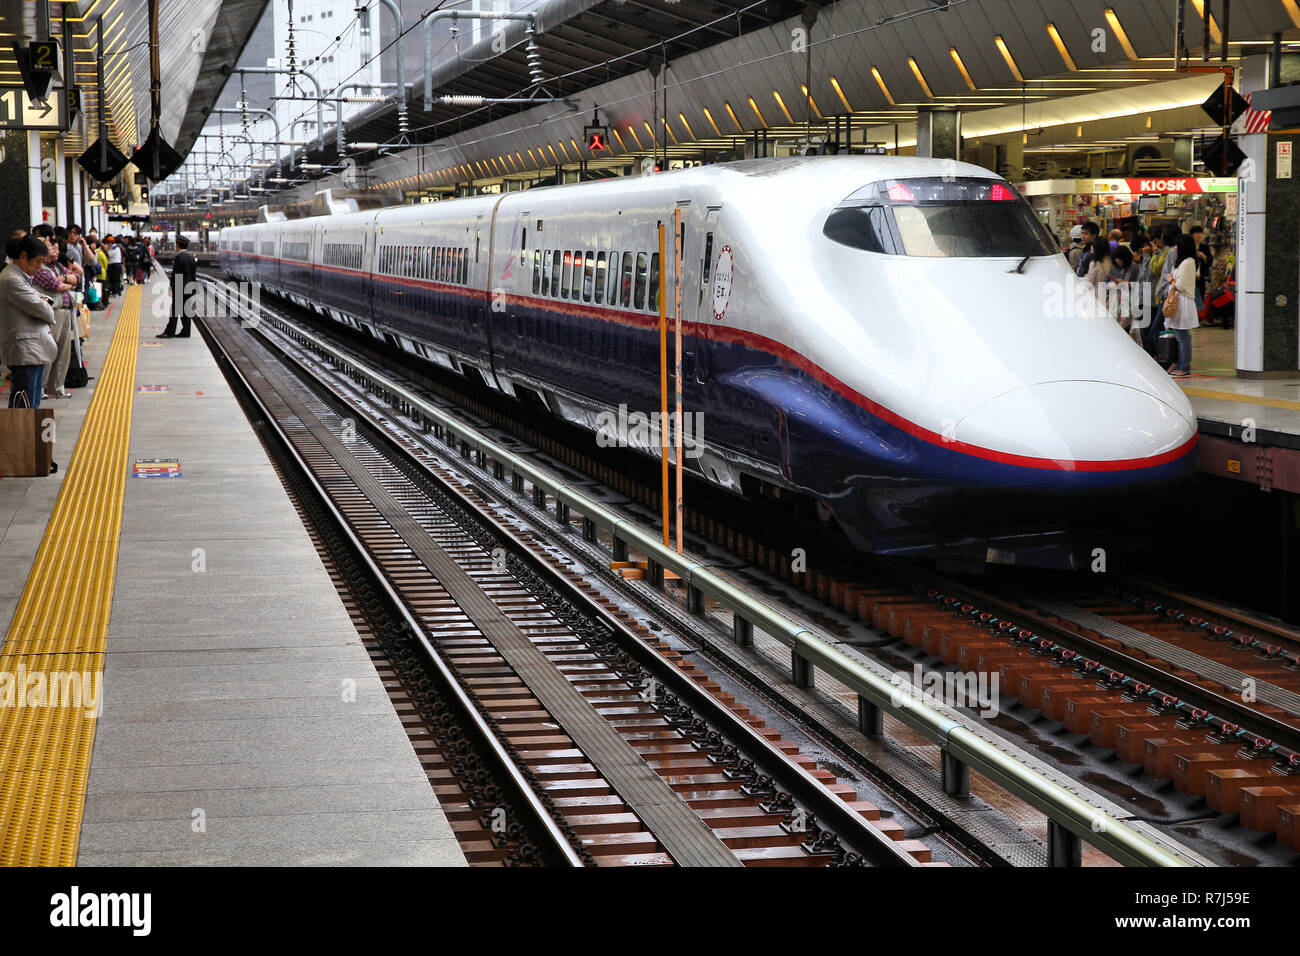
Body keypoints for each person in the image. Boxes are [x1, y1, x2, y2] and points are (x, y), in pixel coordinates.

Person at [0, 235, 58, 413]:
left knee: (31, 403)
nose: (40, 267)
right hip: (24, 350)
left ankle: (28, 439)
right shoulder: (11, 280)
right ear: (24, 256)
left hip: (32, 350)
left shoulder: (20, 278)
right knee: (24, 405)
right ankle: (18, 440)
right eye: (38, 261)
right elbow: (45, 310)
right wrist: (46, 306)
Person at [32, 236, 77, 400]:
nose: (58, 252)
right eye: (54, 248)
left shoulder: (58, 266)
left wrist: (66, 279)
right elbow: (55, 286)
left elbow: (76, 278)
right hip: (53, 312)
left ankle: (57, 387)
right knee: (50, 350)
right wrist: (67, 282)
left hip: (65, 312)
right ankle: (42, 387)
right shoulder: (40, 269)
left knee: (64, 352)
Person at [1166, 234, 1200, 379]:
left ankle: (1184, 367)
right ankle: (1181, 365)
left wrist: (1171, 279)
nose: (1175, 247)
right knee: (1180, 336)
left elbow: (1179, 285)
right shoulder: (1182, 262)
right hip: (1178, 301)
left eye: (1178, 245)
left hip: (1183, 302)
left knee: (1182, 336)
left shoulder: (1188, 262)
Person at [159, 237, 198, 338]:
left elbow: (176, 274)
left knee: (175, 310)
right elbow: (193, 274)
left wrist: (171, 288)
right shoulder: (191, 257)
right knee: (186, 310)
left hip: (180, 287)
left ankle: (169, 332)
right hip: (190, 287)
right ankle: (186, 331)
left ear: (178, 245)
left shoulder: (179, 257)